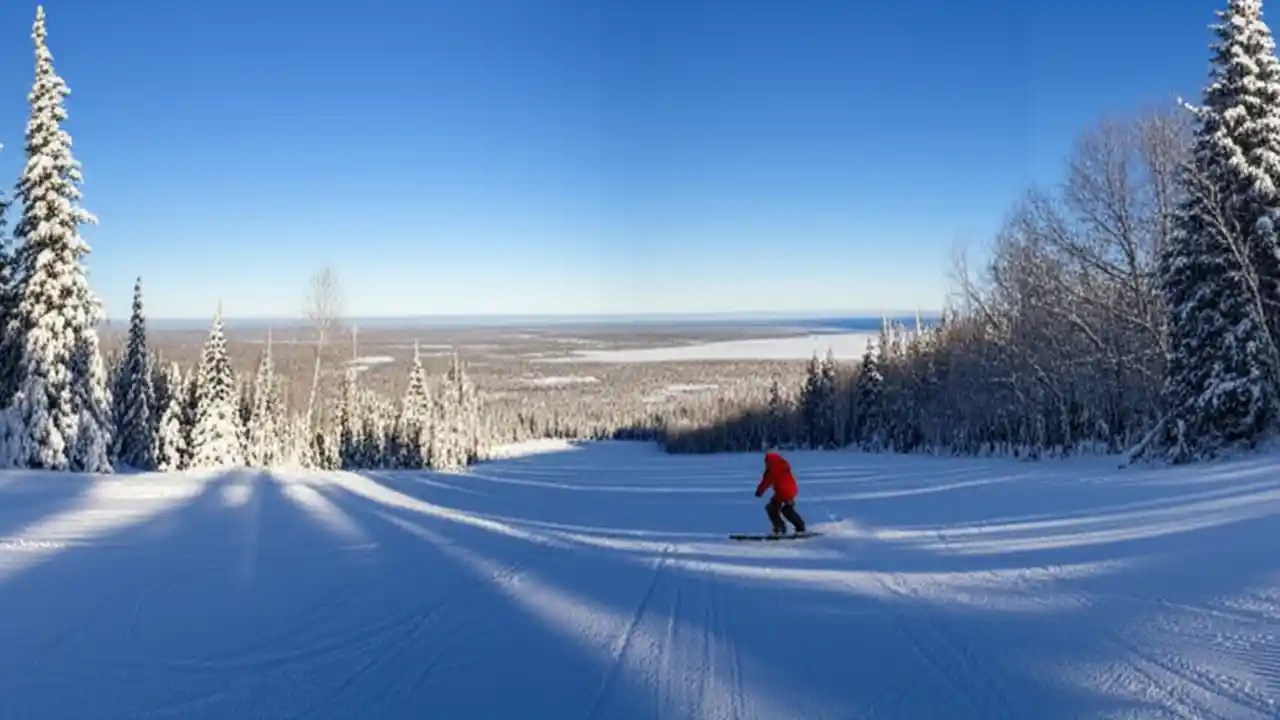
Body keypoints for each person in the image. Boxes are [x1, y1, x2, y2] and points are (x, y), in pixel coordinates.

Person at [755, 450, 806, 535]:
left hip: (782, 492)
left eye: (766, 462)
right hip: (792, 490)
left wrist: (759, 492)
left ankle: (780, 528)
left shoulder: (772, 470)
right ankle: (800, 526)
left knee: (771, 508)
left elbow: (766, 482)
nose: (766, 464)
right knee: (787, 509)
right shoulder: (784, 466)